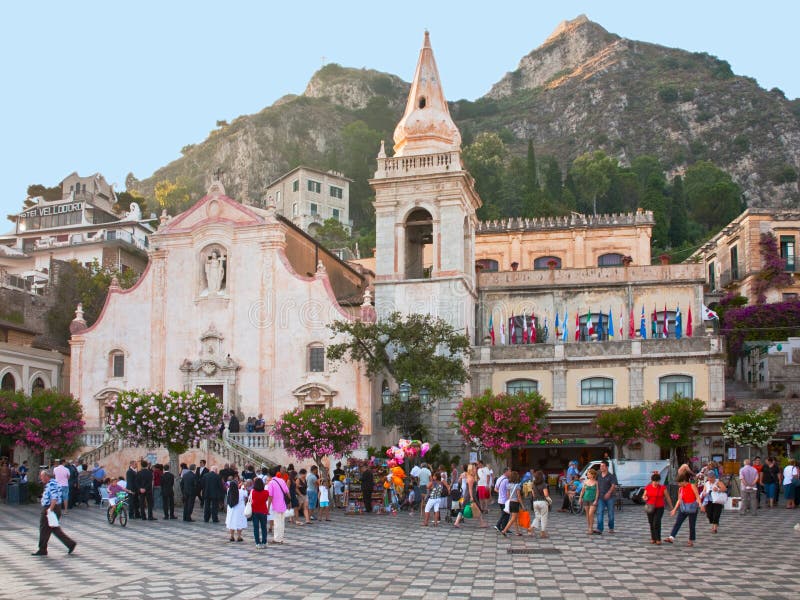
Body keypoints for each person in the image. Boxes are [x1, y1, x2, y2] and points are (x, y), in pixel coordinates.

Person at [32, 470, 76, 556]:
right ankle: (70, 543)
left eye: (42, 476)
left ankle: (42, 549)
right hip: (55, 507)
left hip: (50, 507)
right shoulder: (54, 483)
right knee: (54, 529)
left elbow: (54, 497)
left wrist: (50, 510)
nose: (41, 478)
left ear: (46, 476)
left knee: (44, 528)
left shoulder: (51, 484)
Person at [665, 475, 701, 547]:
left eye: (679, 483)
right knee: (678, 522)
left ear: (684, 481)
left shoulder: (692, 486)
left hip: (692, 508)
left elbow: (697, 495)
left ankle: (691, 540)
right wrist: (674, 509)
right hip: (683, 507)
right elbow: (679, 500)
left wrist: (700, 504)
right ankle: (671, 537)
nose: (678, 484)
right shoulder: (680, 489)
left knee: (692, 525)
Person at [453, 464, 488, 528]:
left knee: (467, 508)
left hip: (470, 495)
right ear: (471, 470)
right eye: (474, 469)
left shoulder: (470, 476)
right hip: (470, 495)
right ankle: (482, 523)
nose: (475, 470)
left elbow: (477, 479)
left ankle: (457, 522)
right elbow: (470, 489)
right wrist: (471, 497)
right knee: (476, 508)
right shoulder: (470, 478)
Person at [643, 472, 673, 544]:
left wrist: (671, 507)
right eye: (654, 481)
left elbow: (667, 497)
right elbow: (644, 495)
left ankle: (658, 539)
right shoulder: (648, 487)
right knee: (651, 522)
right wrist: (645, 498)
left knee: (656, 522)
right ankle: (653, 538)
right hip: (650, 507)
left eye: (657, 481)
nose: (656, 483)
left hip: (659, 507)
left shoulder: (663, 488)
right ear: (652, 481)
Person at [267, 466, 290, 544]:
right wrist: (289, 502)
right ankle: (281, 538)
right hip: (283, 504)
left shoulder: (271, 483)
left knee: (277, 523)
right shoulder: (282, 480)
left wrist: (268, 507)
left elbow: (270, 496)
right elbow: (287, 491)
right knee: (281, 522)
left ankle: (277, 539)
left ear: (269, 475)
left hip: (276, 505)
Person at [699, 469, 726, 534]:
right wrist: (703, 493)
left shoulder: (718, 482)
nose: (710, 479)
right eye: (709, 477)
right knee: (709, 514)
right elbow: (704, 491)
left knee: (716, 514)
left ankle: (714, 528)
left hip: (717, 501)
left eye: (712, 477)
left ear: (714, 477)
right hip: (709, 501)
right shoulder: (706, 483)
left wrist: (718, 489)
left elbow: (724, 489)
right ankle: (714, 523)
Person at [595, 460, 618, 534]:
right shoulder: (598, 475)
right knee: (599, 512)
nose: (601, 467)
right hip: (600, 497)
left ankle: (611, 527)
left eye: (603, 466)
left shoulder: (611, 476)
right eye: (600, 466)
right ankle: (599, 529)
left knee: (610, 513)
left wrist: (609, 493)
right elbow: (596, 484)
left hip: (610, 497)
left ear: (607, 467)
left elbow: (613, 485)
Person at [529, 470, 551, 539]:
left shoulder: (533, 484)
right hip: (542, 502)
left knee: (537, 516)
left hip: (535, 502)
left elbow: (533, 494)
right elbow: (546, 494)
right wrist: (549, 500)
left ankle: (531, 527)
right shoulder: (543, 484)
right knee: (543, 517)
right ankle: (542, 533)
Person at [500, 471, 522, 536]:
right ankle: (504, 530)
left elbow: (507, 495)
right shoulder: (517, 486)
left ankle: (517, 532)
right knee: (513, 518)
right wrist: (522, 505)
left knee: (514, 518)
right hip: (515, 503)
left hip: (510, 502)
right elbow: (519, 496)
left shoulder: (509, 485)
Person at [250, 477, 270, 548]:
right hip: (263, 511)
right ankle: (264, 542)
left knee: (256, 528)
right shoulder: (266, 492)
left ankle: (257, 543)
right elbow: (266, 499)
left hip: (255, 511)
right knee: (264, 527)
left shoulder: (253, 492)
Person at [579, 468, 599, 535]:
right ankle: (590, 528)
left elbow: (597, 492)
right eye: (587, 474)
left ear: (592, 475)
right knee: (587, 514)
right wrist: (580, 498)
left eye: (588, 474)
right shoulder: (585, 482)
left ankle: (591, 527)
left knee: (591, 514)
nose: (587, 475)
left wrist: (596, 500)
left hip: (593, 500)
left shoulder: (596, 482)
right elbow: (582, 491)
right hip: (585, 499)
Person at [494, 467, 511, 533]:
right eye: (510, 471)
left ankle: (504, 528)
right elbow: (508, 491)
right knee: (506, 514)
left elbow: (495, 489)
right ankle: (499, 525)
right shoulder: (506, 480)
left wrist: (500, 492)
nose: (510, 473)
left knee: (505, 514)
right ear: (506, 472)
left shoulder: (499, 478)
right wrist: (509, 499)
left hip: (500, 499)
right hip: (505, 500)